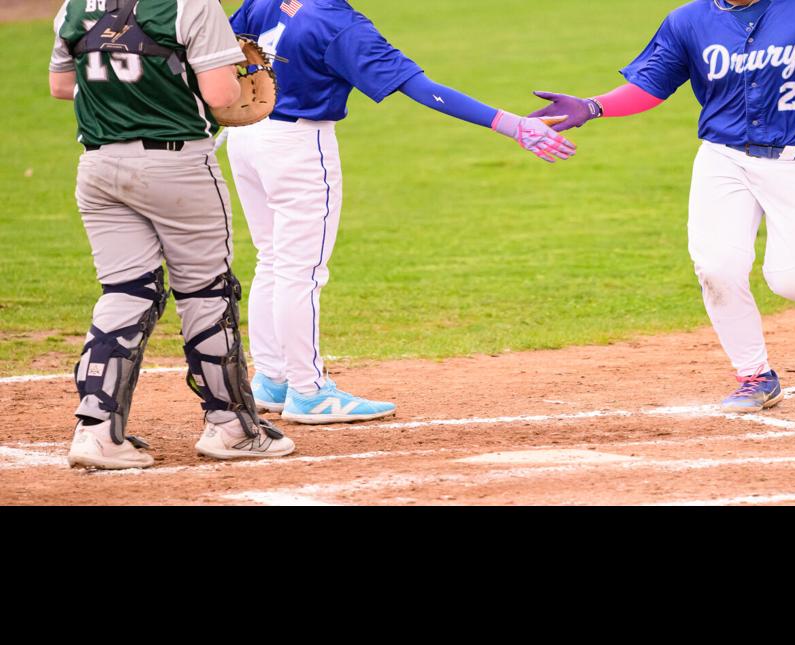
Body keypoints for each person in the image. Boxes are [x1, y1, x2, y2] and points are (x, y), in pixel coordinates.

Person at [528, 0, 795, 411]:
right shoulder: (687, 21)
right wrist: (592, 106)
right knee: (716, 266)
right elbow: (651, 86)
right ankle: (755, 376)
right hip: (724, 157)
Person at [226, 0, 576, 424]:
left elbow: (228, 44)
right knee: (302, 270)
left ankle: (273, 378)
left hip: (247, 136)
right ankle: (308, 390)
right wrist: (510, 124)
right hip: (299, 147)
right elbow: (421, 88)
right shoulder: (341, 25)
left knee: (273, 258)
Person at [52, 0, 293, 469]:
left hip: (99, 167)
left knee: (126, 291)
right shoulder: (192, 5)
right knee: (206, 290)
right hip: (177, 166)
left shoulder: (74, 6)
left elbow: (63, 86)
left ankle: (96, 431)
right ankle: (230, 427)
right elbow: (222, 95)